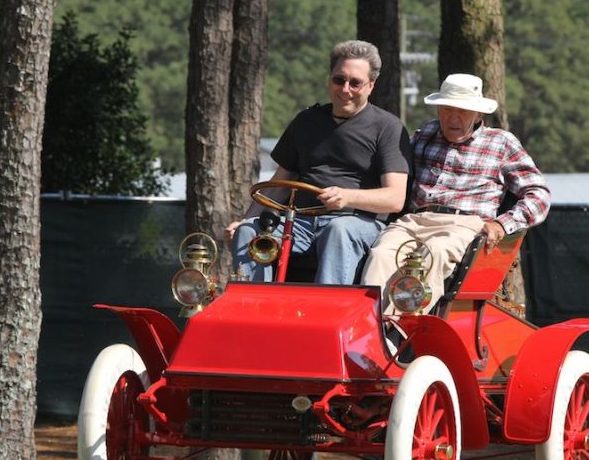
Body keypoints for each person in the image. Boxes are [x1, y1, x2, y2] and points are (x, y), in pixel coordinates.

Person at [360, 73, 550, 311]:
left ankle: (396, 328)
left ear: (479, 114)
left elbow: (539, 194)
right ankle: (369, 325)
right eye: (447, 110)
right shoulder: (424, 134)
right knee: (380, 254)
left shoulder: (501, 143)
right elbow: (396, 173)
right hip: (414, 220)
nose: (453, 118)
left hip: (465, 224)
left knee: (433, 254)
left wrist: (503, 225)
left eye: (463, 111)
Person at [227, 40, 410, 285]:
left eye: (355, 83)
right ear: (329, 80)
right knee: (248, 232)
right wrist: (244, 219)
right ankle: (251, 312)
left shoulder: (387, 127)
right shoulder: (306, 121)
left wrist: (348, 198)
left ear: (371, 85)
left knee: (339, 230)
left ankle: (326, 317)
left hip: (356, 223)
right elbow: (280, 184)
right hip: (299, 222)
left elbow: (395, 198)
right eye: (339, 80)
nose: (345, 89)